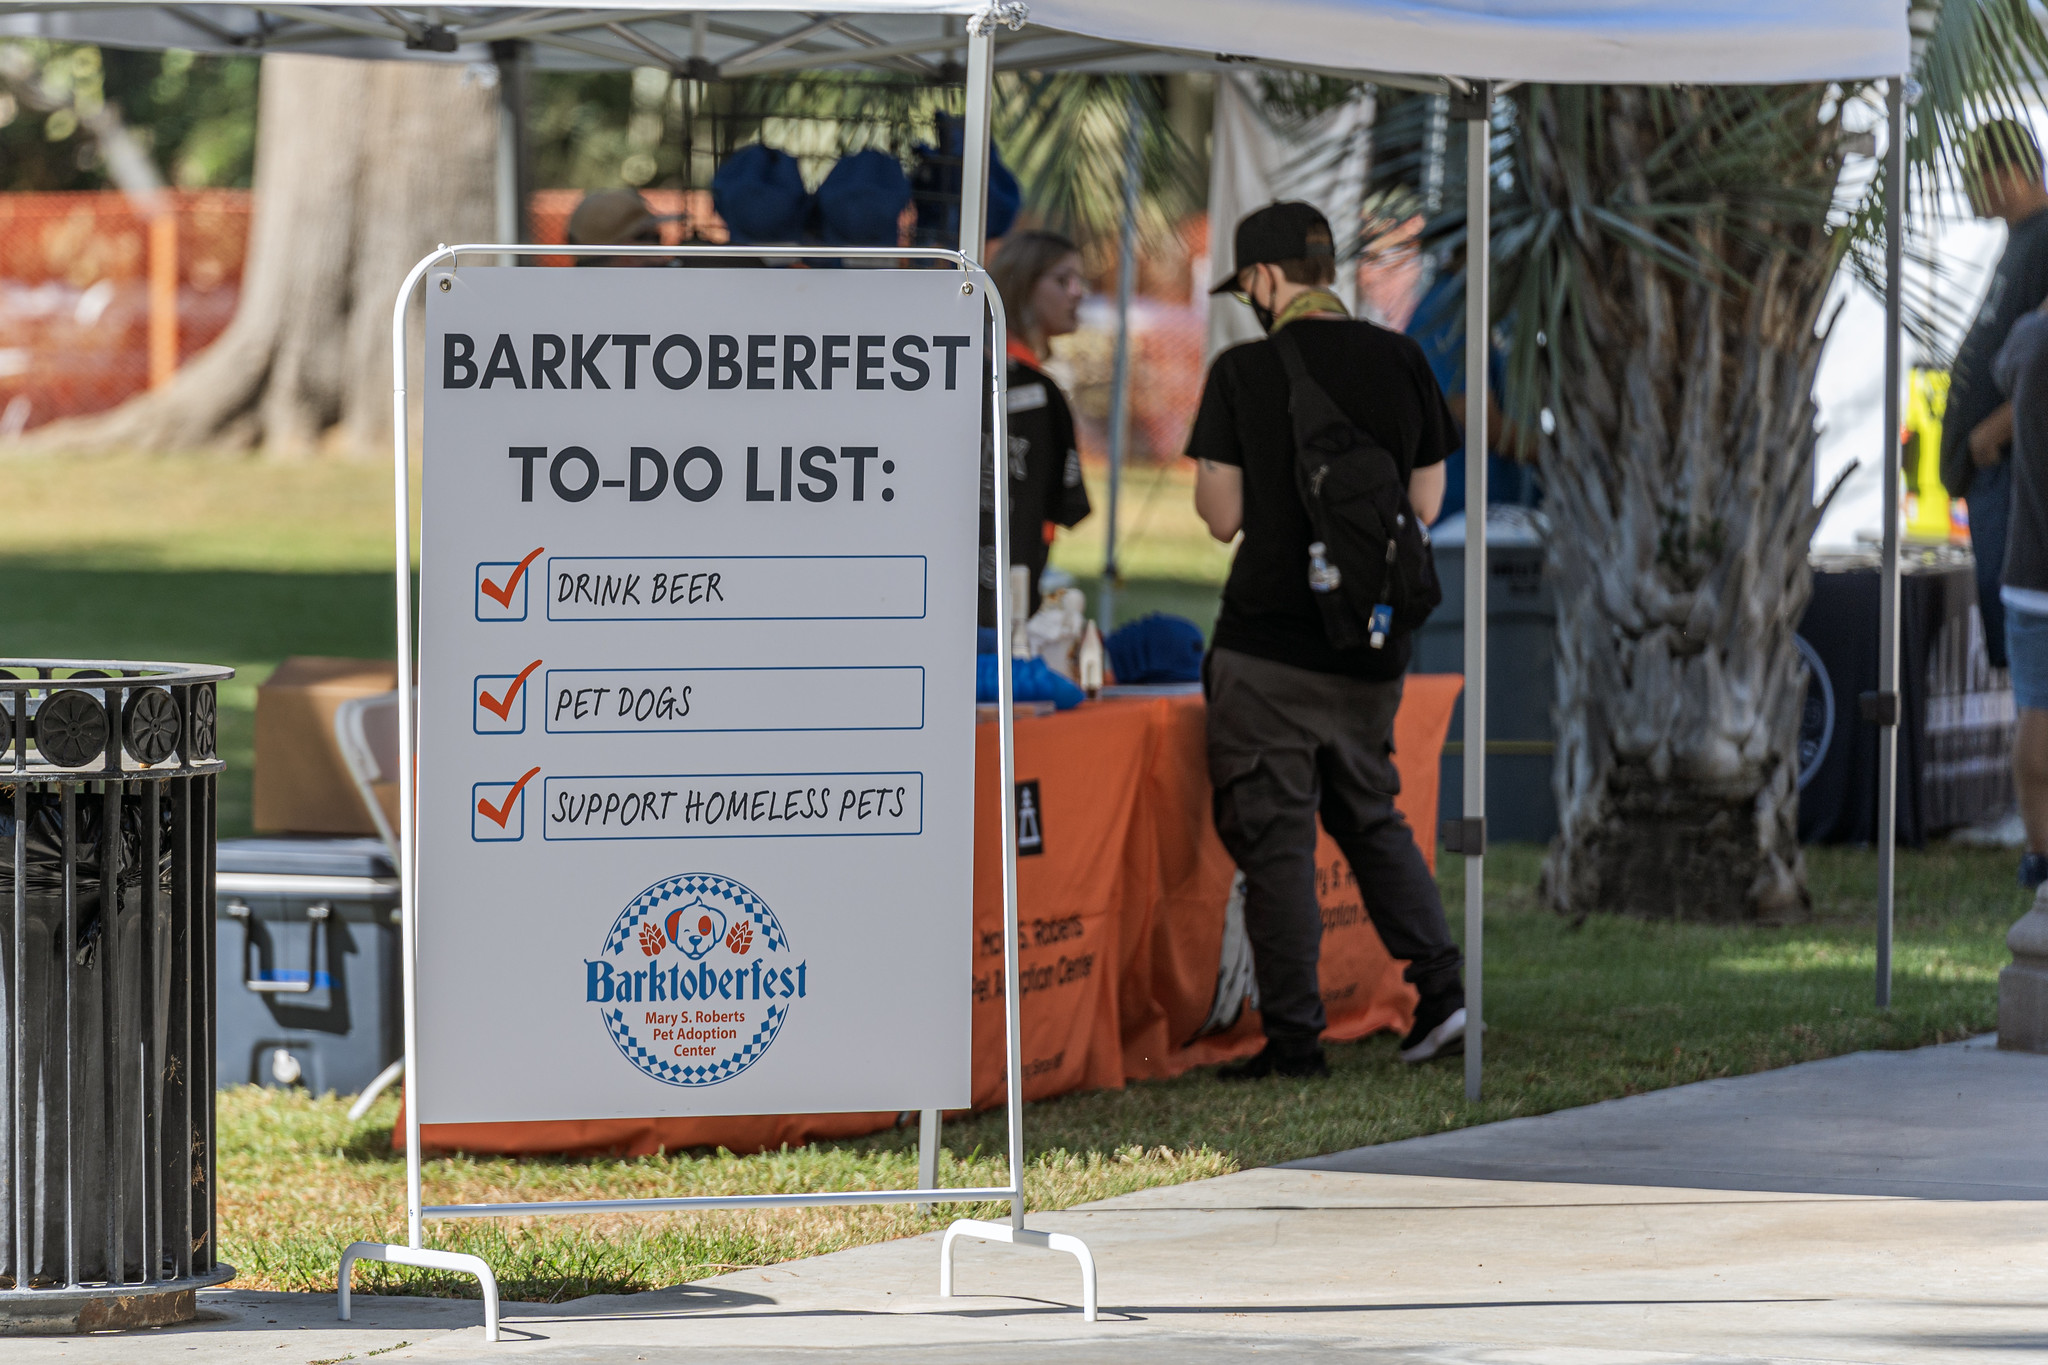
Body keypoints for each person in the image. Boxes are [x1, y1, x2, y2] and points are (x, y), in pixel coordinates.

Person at [1188, 201, 1468, 1079]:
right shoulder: (1403, 360)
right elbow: (1424, 508)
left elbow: (1220, 517)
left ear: (1267, 279)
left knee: (1277, 842)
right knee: (1372, 817)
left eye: (1247, 289)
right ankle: (1444, 995)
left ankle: (1295, 1041)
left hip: (1265, 649)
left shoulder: (1242, 371)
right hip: (1370, 648)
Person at [1941, 120, 2048, 682]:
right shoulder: (2022, 238)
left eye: (1971, 176)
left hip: (2014, 476)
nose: (1966, 190)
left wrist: (1991, 436)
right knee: (2017, 661)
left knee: (2027, 660)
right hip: (1993, 481)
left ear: (2007, 174)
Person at [982, 231, 1093, 627]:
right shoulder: (1032, 389)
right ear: (1022, 285)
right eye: (1063, 281)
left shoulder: (980, 370)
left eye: (1080, 281)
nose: (1077, 293)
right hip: (998, 604)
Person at [1996, 294, 2048, 888]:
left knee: (2037, 706)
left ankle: (2039, 852)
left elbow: (2002, 368)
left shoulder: (2029, 340)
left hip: (2029, 566)